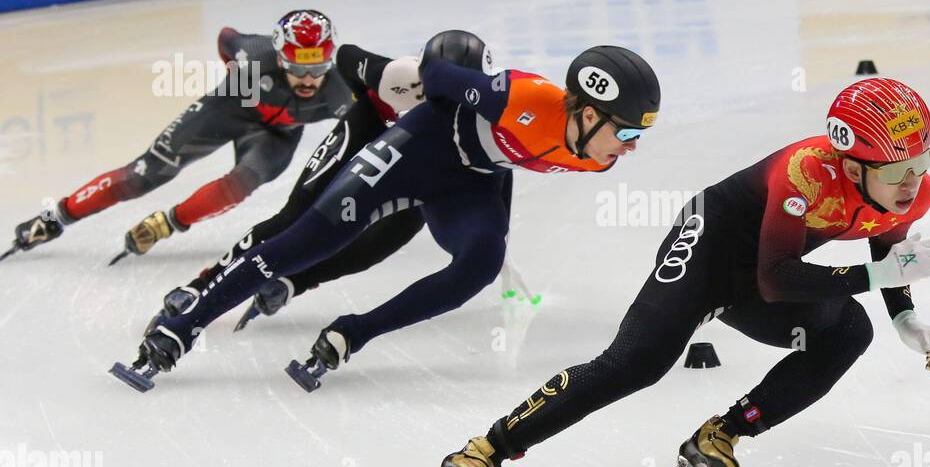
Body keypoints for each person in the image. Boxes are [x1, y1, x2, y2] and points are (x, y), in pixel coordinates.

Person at [421, 77, 930, 467]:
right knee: (635, 364)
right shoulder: (806, 174)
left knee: (847, 331)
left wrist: (904, 316)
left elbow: (888, 251)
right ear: (853, 165)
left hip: (762, 273)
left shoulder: (911, 191)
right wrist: (879, 278)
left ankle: (722, 433)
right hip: (708, 251)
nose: (914, 183)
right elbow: (777, 277)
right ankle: (488, 448)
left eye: (922, 163)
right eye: (901, 171)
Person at [110, 44, 661, 392]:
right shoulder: (521, 97)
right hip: (416, 147)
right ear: (588, 113)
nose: (632, 147)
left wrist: (497, 224)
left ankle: (352, 335)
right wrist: (416, 78)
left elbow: (513, 159)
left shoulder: (599, 153)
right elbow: (440, 74)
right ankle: (179, 328)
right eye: (630, 132)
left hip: (468, 180)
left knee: (479, 264)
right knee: (307, 240)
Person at [147, 30, 494, 332]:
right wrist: (364, 103)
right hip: (370, 126)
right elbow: (346, 57)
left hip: (417, 157)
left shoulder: (486, 113)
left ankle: (293, 281)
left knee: (380, 243)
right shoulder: (398, 75)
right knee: (296, 215)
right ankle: (201, 286)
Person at [5, 10, 353, 264]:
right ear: (279, 58)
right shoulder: (254, 54)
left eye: (318, 67)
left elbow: (367, 129)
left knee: (239, 185)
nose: (308, 79)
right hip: (229, 108)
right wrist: (237, 81)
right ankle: (56, 217)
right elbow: (225, 38)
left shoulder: (339, 93)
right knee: (141, 176)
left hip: (277, 137)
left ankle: (166, 224)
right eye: (298, 67)